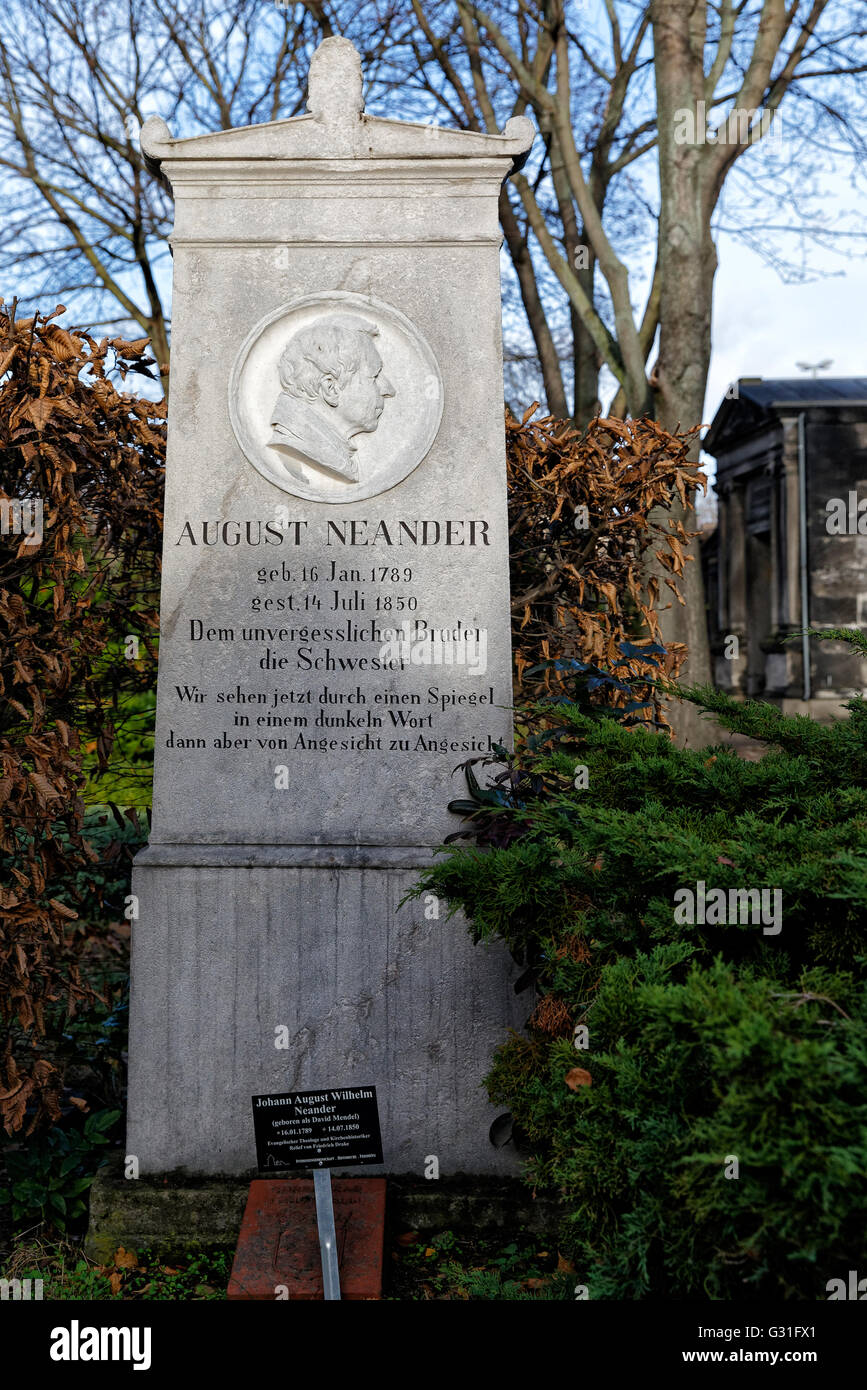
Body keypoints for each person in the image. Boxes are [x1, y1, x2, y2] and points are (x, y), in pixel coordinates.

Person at [269, 314, 395, 483]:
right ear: (331, 388)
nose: (388, 390)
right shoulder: (297, 448)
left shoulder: (332, 452)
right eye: (374, 376)